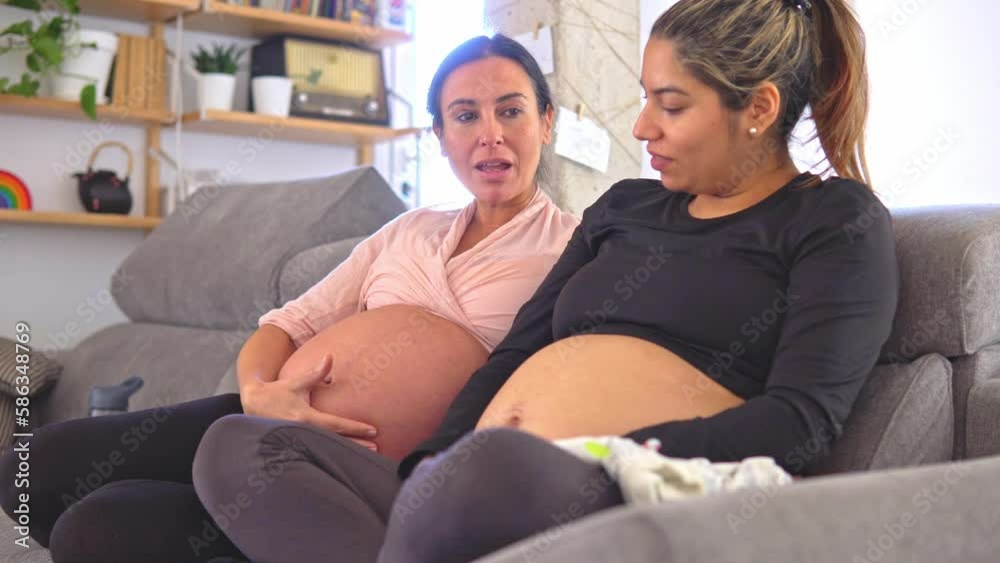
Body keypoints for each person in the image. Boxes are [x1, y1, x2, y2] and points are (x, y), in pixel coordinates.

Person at [193, 1, 900, 562]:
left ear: (760, 110)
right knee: (238, 445)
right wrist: (432, 463)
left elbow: (803, 420)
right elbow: (514, 353)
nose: (644, 125)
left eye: (672, 105)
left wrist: (609, 449)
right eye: (646, 98)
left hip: (607, 484)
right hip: (481, 472)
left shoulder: (833, 222)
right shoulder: (625, 207)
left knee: (486, 473)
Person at [0, 33, 578, 563]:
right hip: (260, 424)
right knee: (33, 470)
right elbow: (285, 324)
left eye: (511, 110)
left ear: (546, 121)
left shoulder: (576, 249)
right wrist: (260, 392)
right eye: (465, 116)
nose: (490, 134)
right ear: (440, 136)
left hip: (356, 475)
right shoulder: (411, 230)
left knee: (95, 531)